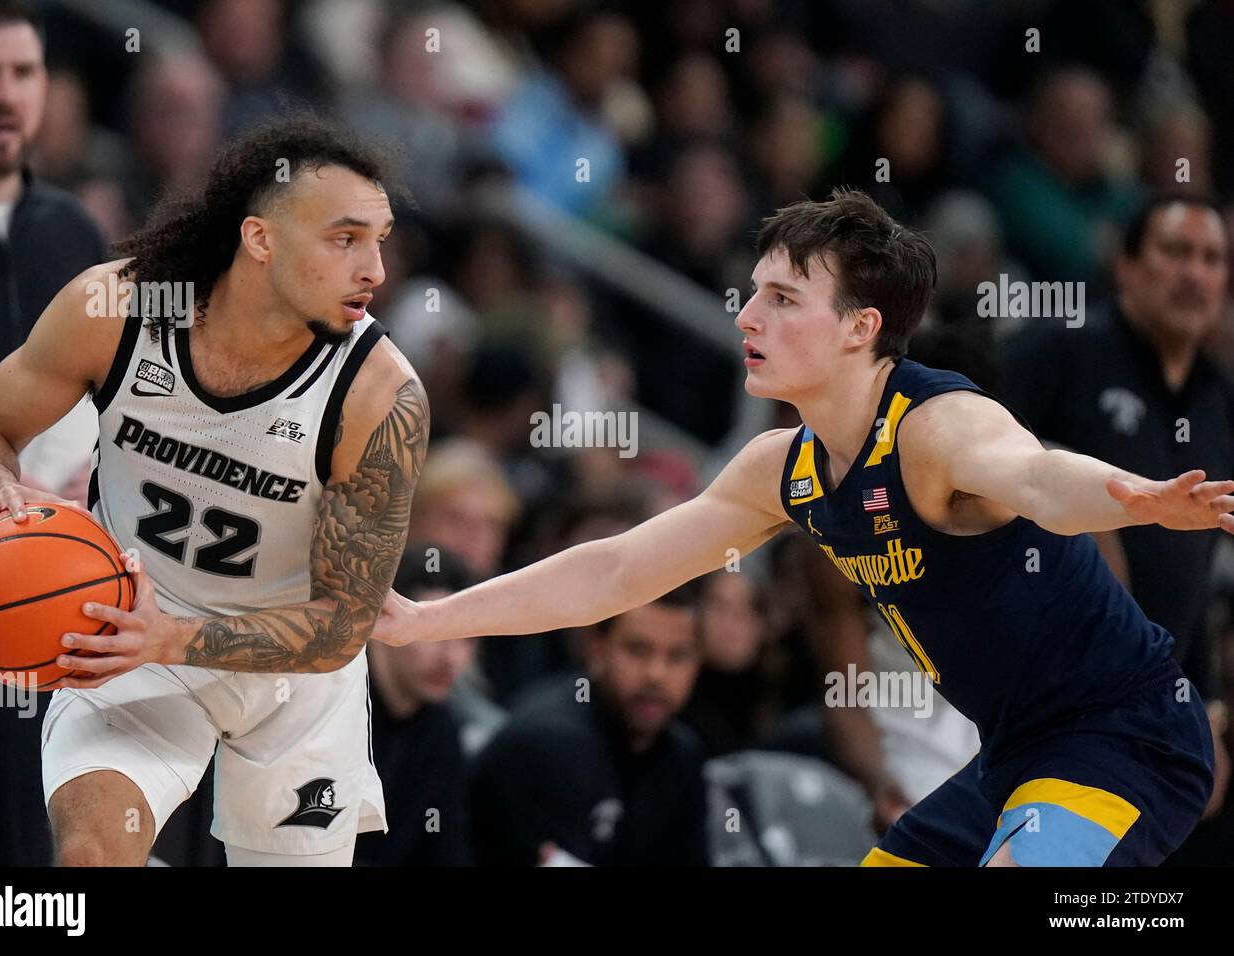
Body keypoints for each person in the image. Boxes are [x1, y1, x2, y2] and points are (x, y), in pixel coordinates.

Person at [376, 188, 1232, 867]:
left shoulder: (938, 428)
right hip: (1018, 751)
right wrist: (431, 618)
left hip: (1131, 733)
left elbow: (1039, 478)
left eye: (783, 298)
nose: (747, 316)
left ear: (862, 328)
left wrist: (1135, 494)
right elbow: (617, 573)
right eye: (754, 293)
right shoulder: (782, 469)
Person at [0, 115, 429, 867]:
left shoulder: (378, 393)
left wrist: (170, 636)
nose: (375, 270)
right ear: (260, 240)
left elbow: (340, 627)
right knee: (89, 861)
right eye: (345, 239)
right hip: (127, 635)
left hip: (291, 681)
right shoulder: (119, 311)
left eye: (381, 239)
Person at [0, 0, 108, 867]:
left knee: (8, 848)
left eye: (24, 74)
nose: (4, 95)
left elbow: (110, 405)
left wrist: (91, 486)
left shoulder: (74, 234)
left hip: (24, 590)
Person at [1001, 195, 1234, 823]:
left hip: (1147, 695)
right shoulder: (1059, 350)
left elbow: (1196, 573)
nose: (1195, 273)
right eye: (1176, 252)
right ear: (1127, 266)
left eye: (1213, 259)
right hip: (1034, 674)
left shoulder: (1222, 398)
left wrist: (1204, 706)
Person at [466, 584, 707, 866]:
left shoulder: (683, 754)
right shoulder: (548, 742)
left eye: (677, 656)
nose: (656, 674)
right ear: (597, 649)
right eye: (638, 650)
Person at [354, 546, 477, 867]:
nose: (451, 658)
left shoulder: (440, 728)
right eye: (435, 634)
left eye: (467, 638)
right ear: (385, 619)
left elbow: (446, 851)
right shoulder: (330, 709)